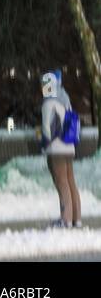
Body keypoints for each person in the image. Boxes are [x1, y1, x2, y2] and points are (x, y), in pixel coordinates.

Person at [40, 70, 82, 228]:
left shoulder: (48, 103)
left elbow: (47, 130)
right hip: (69, 147)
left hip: (56, 149)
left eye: (45, 84)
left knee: (61, 182)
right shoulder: (65, 100)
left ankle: (65, 219)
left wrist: (43, 145)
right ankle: (75, 219)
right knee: (70, 182)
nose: (43, 87)